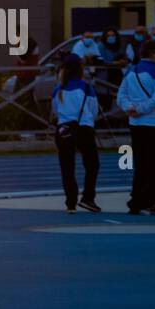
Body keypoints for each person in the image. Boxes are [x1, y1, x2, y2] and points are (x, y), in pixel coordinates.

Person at [117, 40, 155, 215]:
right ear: (154, 53)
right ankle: (150, 200)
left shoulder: (132, 70)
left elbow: (121, 96)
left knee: (140, 164)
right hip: (154, 123)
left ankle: (136, 199)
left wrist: (130, 109)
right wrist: (140, 110)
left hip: (136, 124)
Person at [51, 55, 101, 213]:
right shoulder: (86, 88)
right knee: (92, 164)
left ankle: (70, 203)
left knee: (67, 167)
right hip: (84, 128)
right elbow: (94, 110)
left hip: (64, 129)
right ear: (80, 69)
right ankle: (88, 197)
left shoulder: (58, 90)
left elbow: (55, 111)